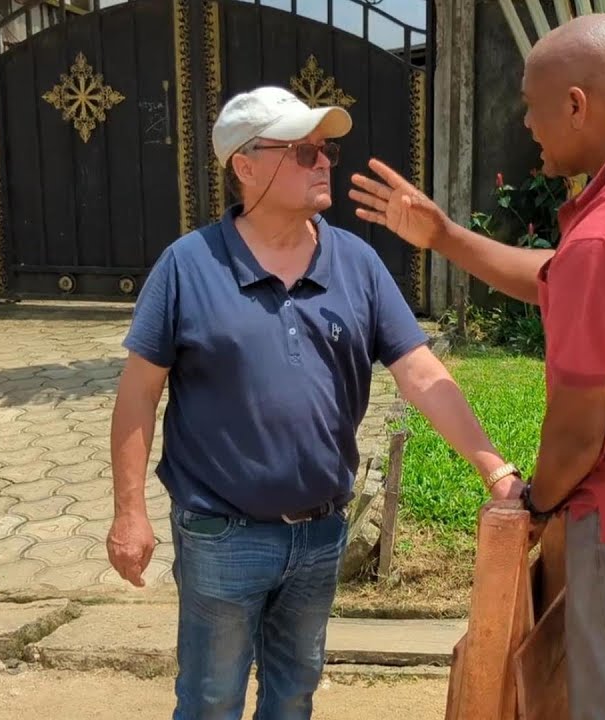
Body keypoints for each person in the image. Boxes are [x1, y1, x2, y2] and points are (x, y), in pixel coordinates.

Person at [349, 14, 605, 720]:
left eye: (533, 106)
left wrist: (535, 501)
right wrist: (444, 235)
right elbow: (565, 276)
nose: (528, 124)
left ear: (576, 104)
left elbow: (575, 435)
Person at [106, 86, 524, 720]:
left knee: (295, 694)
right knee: (211, 698)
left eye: (324, 149)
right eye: (303, 151)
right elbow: (139, 393)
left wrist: (493, 468)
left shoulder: (355, 262)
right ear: (244, 166)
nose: (324, 162)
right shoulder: (188, 267)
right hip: (222, 534)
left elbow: (417, 370)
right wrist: (129, 514)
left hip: (321, 533)